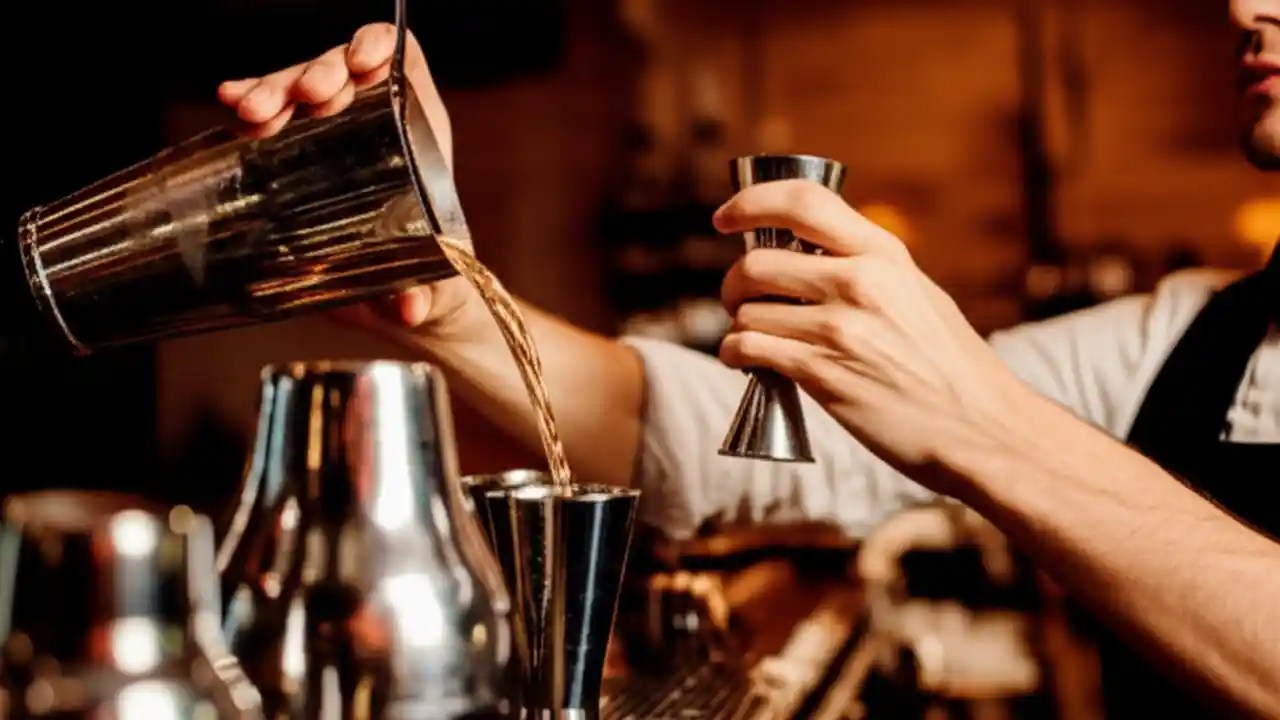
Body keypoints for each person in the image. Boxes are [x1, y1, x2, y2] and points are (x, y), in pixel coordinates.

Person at [218, 4, 1279, 717]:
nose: (1240, 4)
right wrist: (434, 288)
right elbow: (729, 452)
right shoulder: (1181, 341)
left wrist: (979, 420)